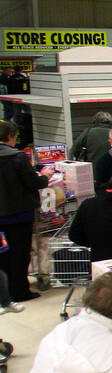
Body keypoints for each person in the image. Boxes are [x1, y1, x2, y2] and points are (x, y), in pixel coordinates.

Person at [0, 119, 51, 303]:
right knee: (20, 253)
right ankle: (20, 291)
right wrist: (45, 177)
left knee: (3, 254)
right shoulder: (18, 157)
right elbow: (33, 182)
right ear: (11, 136)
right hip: (20, 215)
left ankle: (5, 292)